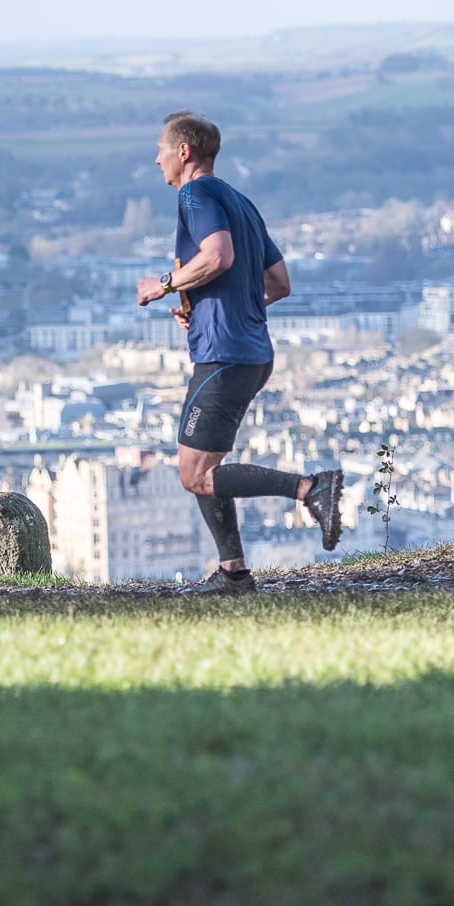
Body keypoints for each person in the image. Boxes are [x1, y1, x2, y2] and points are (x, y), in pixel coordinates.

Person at [134, 111, 343, 593]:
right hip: (247, 348)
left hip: (223, 352)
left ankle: (311, 489)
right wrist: (205, 305)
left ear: (183, 152)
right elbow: (279, 284)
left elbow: (218, 257)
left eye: (161, 149)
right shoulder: (240, 201)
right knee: (203, 465)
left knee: (193, 473)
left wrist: (163, 285)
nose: (156, 158)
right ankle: (233, 572)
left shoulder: (196, 193)